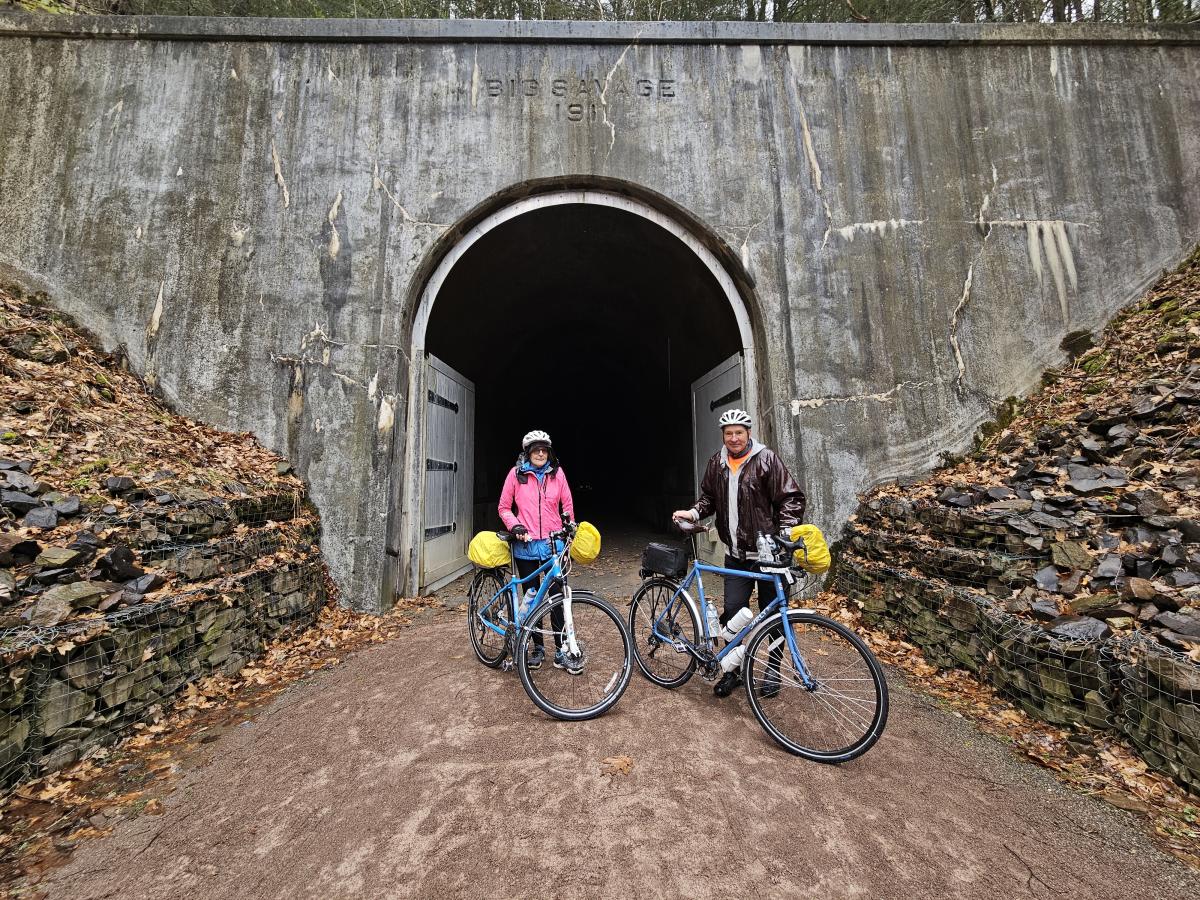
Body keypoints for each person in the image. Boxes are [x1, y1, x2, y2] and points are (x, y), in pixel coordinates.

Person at [673, 408, 806, 697]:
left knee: (773, 618)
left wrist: (785, 531)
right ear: (724, 436)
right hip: (736, 555)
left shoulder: (766, 460)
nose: (734, 438)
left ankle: (772, 668)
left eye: (739, 433)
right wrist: (694, 512)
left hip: (769, 556)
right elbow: (709, 498)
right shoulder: (717, 463)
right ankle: (732, 671)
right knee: (733, 615)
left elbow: (791, 498)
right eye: (728, 433)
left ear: (748, 434)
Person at [498, 429, 576, 671]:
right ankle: (537, 648)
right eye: (535, 449)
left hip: (554, 546)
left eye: (544, 449)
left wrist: (569, 529)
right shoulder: (516, 475)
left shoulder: (557, 474)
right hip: (526, 545)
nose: (540, 453)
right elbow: (503, 508)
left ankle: (562, 649)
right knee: (532, 598)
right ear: (528, 453)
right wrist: (516, 525)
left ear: (549, 452)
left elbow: (568, 506)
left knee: (557, 599)